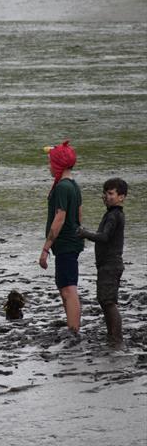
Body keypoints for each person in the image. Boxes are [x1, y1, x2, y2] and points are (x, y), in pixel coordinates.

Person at [39, 141, 83, 335]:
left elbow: (60, 218)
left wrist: (46, 247)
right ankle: (71, 326)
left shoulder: (63, 187)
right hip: (71, 242)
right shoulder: (73, 185)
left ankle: (74, 330)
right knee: (64, 285)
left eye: (51, 163)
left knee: (68, 288)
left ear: (57, 165)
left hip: (65, 243)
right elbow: (80, 215)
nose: (49, 166)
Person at [78, 178, 128, 346]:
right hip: (108, 264)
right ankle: (112, 336)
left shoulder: (114, 216)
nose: (107, 196)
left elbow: (104, 237)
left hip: (110, 264)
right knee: (104, 300)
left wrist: (84, 233)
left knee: (108, 302)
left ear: (122, 197)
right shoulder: (112, 213)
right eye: (105, 193)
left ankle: (115, 339)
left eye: (111, 194)